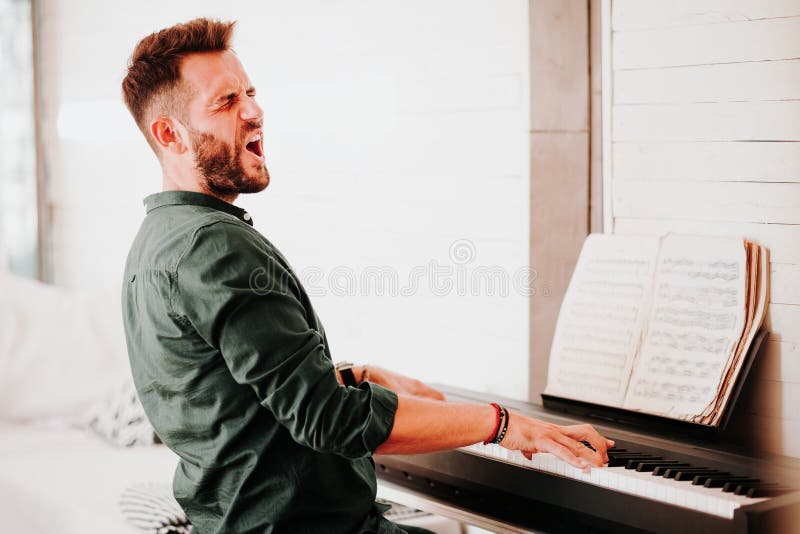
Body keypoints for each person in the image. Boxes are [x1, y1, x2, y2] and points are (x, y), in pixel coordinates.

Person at [120, 17, 613, 534]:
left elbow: (235, 401)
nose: (254, 111)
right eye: (225, 102)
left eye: (250, 93)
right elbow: (328, 419)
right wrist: (504, 425)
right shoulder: (214, 247)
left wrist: (356, 376)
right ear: (169, 134)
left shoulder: (158, 240)